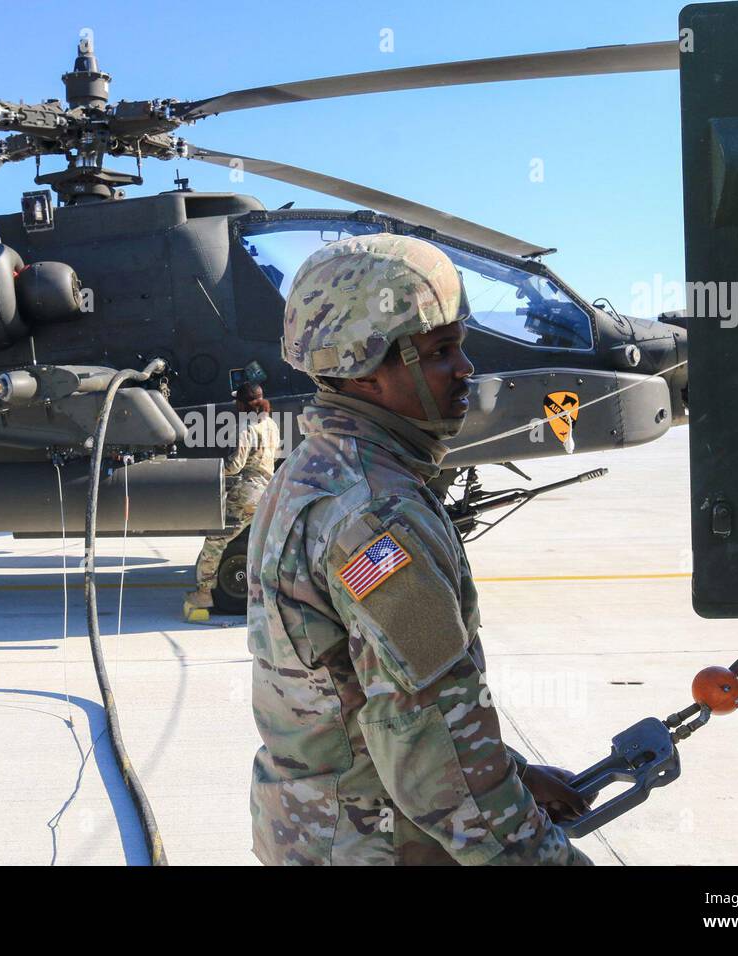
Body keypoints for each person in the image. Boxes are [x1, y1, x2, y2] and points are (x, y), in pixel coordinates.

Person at [246, 233, 591, 865]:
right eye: (439, 352)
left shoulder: (314, 469)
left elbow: (371, 691)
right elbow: (434, 743)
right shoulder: (377, 514)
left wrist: (510, 774)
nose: (465, 370)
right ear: (366, 368)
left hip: (317, 830)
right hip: (374, 843)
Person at [184, 382, 281, 622]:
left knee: (215, 542)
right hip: (267, 492)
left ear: (241, 404)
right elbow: (275, 456)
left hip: (245, 495)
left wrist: (214, 470)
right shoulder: (270, 424)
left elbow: (235, 465)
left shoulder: (245, 428)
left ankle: (204, 593)